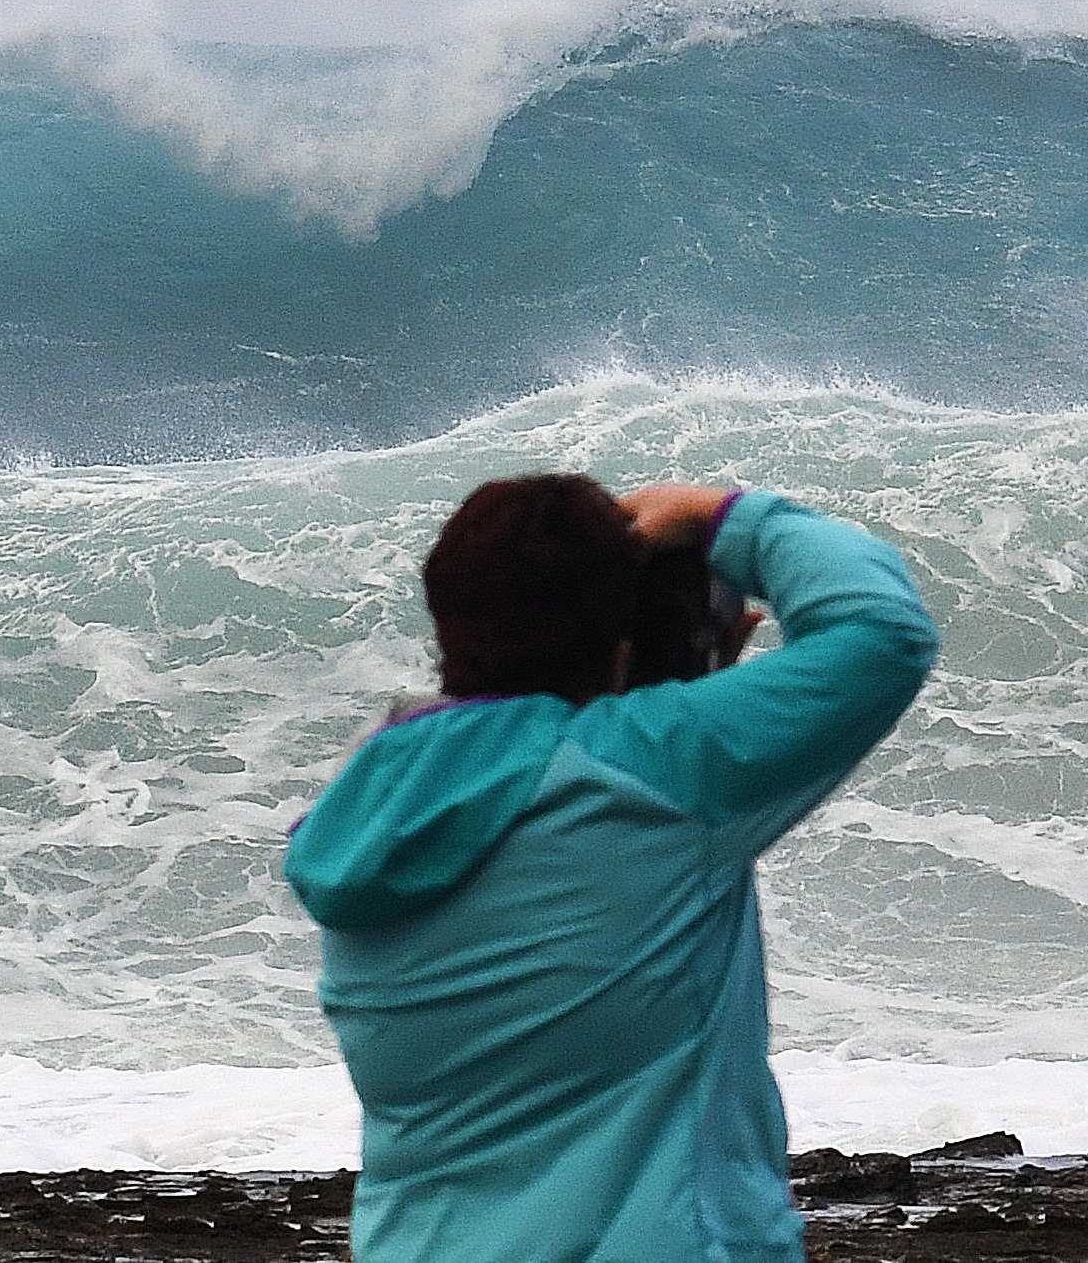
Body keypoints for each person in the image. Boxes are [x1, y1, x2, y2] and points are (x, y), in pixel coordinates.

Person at [283, 475, 939, 1261]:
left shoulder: (374, 804)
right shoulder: (659, 769)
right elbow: (883, 630)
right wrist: (724, 516)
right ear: (622, 641)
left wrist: (666, 687)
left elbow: (522, 751)